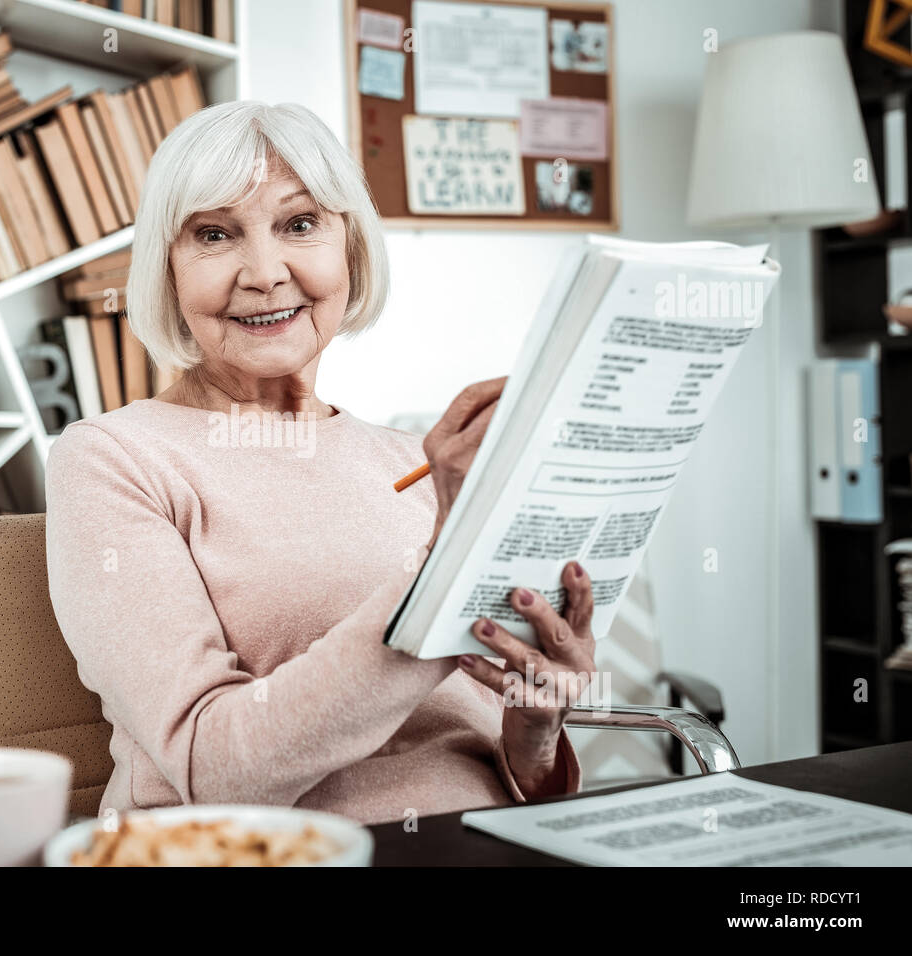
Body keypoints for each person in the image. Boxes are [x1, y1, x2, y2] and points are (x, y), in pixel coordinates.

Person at [44, 100, 597, 826]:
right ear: (168, 272)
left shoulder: (418, 462)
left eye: (300, 225)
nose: (265, 273)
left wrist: (534, 732)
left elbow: (508, 768)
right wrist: (440, 578)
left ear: (350, 248)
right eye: (214, 235)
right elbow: (214, 770)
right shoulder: (112, 459)